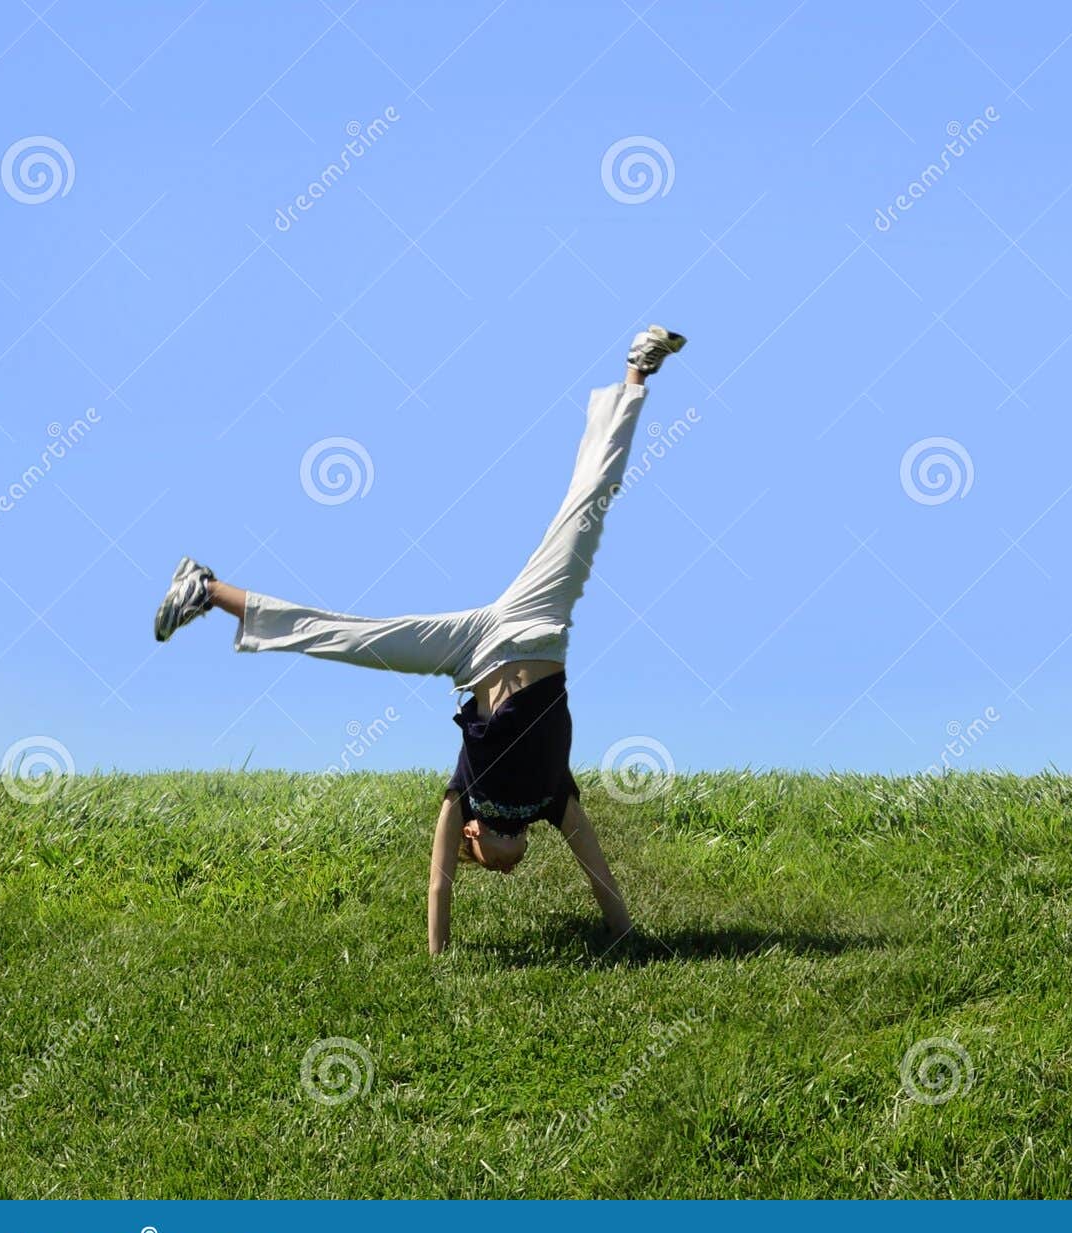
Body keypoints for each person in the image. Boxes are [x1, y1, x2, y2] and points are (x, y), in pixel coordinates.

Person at [152, 326, 688, 954]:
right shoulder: (552, 799)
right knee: (589, 500)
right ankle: (637, 373)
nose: (509, 862)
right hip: (536, 624)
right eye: (510, 858)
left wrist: (437, 961)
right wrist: (627, 936)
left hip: (469, 650)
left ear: (472, 843)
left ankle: (207, 590)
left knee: (353, 638)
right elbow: (600, 875)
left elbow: (437, 889)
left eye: (492, 862)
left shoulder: (462, 797)